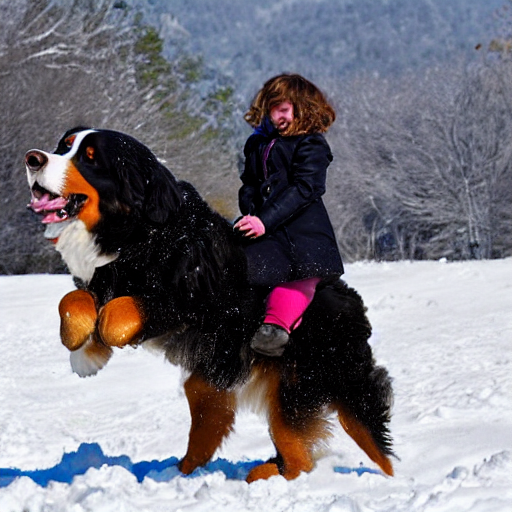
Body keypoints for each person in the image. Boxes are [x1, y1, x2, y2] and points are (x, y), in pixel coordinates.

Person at [234, 73, 344, 357]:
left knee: (300, 274)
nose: (276, 117)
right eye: (272, 110)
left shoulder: (311, 144)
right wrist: (251, 211)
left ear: (302, 107)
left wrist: (264, 220)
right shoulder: (257, 144)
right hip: (262, 227)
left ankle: (276, 329)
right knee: (236, 268)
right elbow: (249, 183)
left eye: (283, 110)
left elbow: (306, 188)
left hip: (303, 231)